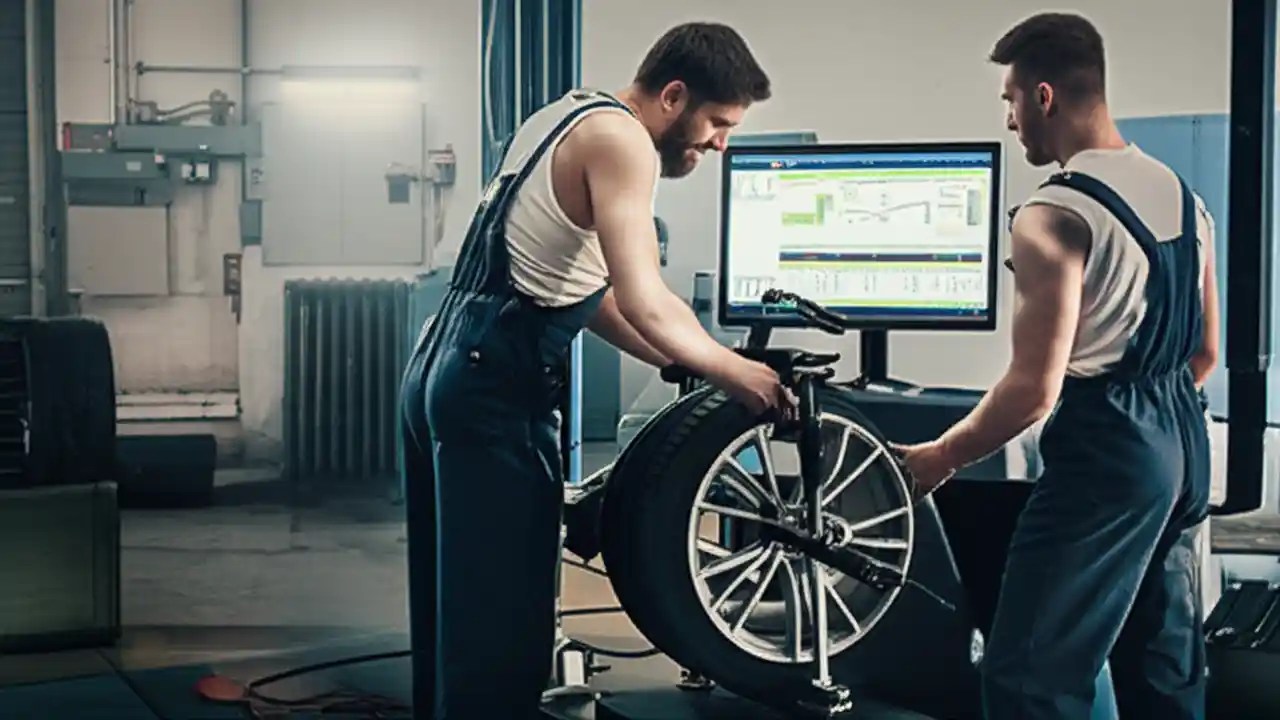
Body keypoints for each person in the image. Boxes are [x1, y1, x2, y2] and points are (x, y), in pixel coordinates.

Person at [398, 22, 792, 720]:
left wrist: (681, 359)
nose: (719, 145)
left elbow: (586, 292)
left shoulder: (565, 114)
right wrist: (738, 371)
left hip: (446, 364)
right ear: (674, 96)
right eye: (718, 124)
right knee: (503, 621)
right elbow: (644, 297)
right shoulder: (624, 144)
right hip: (495, 382)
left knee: (458, 607)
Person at [892, 12, 1217, 720]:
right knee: (1162, 666)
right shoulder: (1183, 197)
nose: (1010, 120)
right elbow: (1206, 354)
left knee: (1030, 674)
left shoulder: (1052, 213)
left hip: (1110, 448)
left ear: (1044, 96)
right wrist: (1158, 437)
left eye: (1010, 100)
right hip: (1184, 439)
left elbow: (1033, 390)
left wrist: (940, 457)